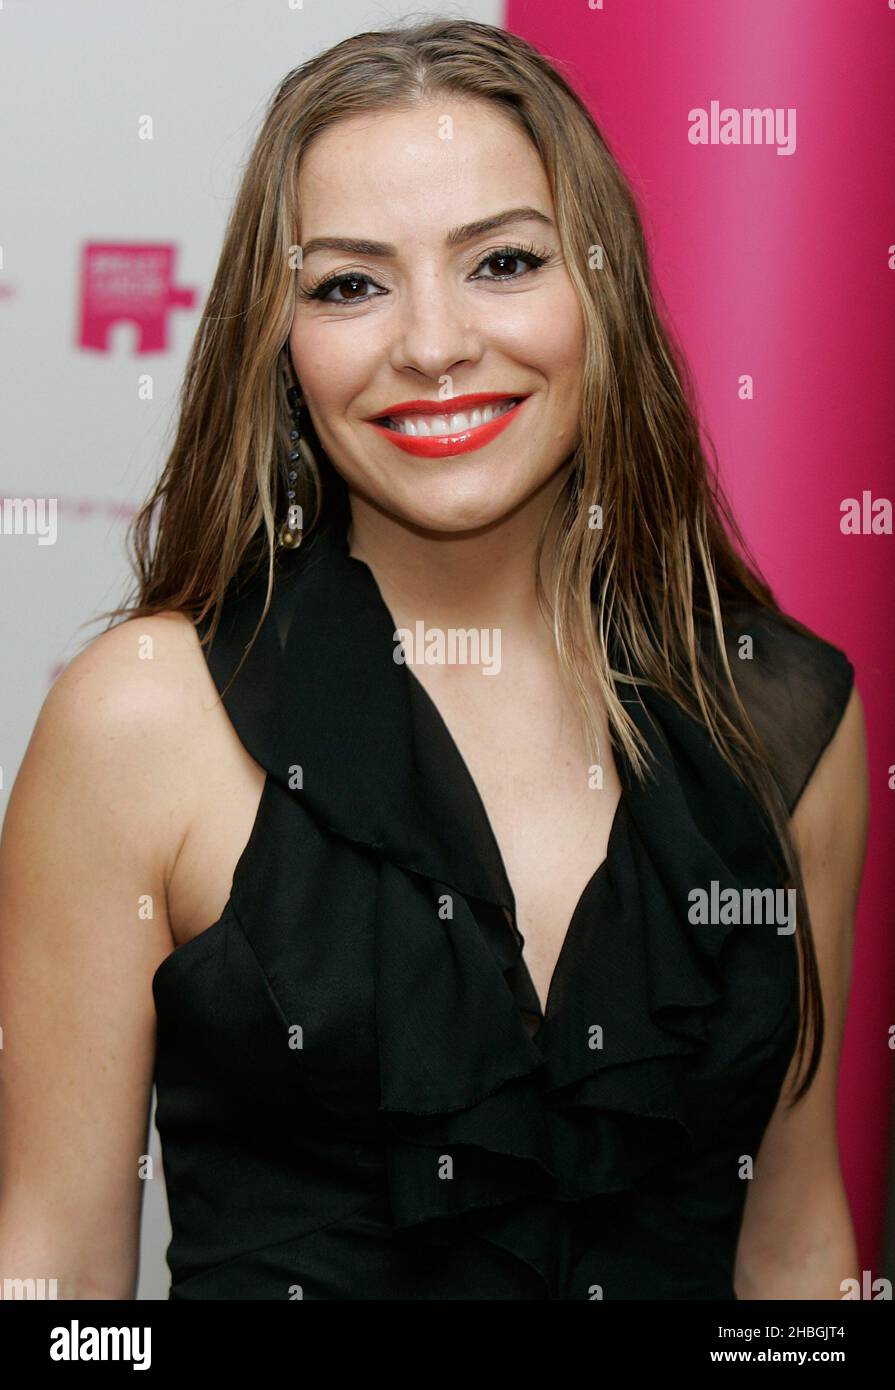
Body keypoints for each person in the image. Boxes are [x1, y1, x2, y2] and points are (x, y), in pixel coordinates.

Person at [0, 18, 868, 1300]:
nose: (434, 343)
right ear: (278, 343)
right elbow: (56, 1286)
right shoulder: (140, 720)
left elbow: (792, 1247)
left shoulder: (778, 716)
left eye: (503, 261)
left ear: (602, 288)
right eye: (350, 283)